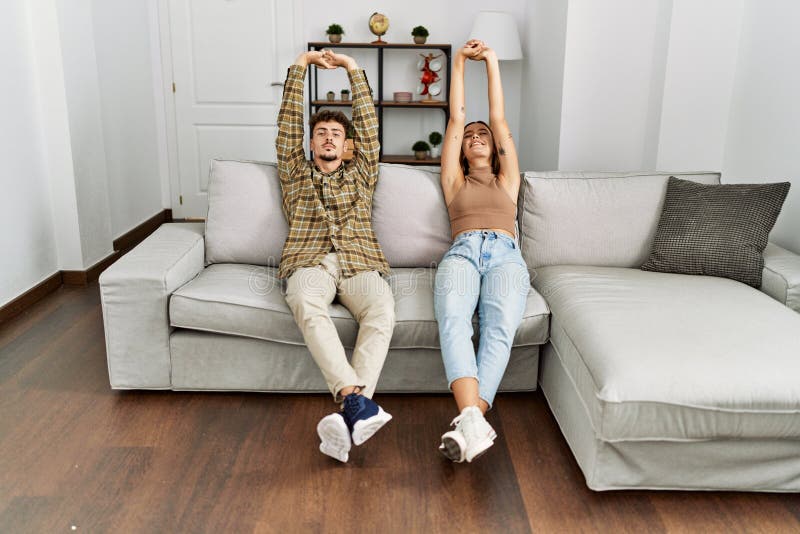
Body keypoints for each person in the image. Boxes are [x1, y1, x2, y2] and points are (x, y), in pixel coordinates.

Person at [276, 49, 395, 463]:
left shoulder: (362, 173)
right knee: (305, 300)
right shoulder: (294, 172)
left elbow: (369, 125)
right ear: (310, 142)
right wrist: (302, 62)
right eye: (321, 132)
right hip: (310, 261)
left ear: (347, 146)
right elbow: (288, 122)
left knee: (382, 309)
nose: (328, 137)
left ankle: (349, 418)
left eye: (336, 134)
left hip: (360, 262)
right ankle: (354, 400)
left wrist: (350, 67)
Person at [434, 40, 530, 463]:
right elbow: (456, 117)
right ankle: (474, 421)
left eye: (482, 135)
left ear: (494, 147)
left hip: (506, 254)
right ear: (461, 148)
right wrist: (458, 60)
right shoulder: (454, 181)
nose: (475, 137)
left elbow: (498, 117)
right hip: (463, 252)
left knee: (500, 326)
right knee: (454, 320)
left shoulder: (508, 181)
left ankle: (470, 422)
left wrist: (491, 61)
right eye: (469, 137)